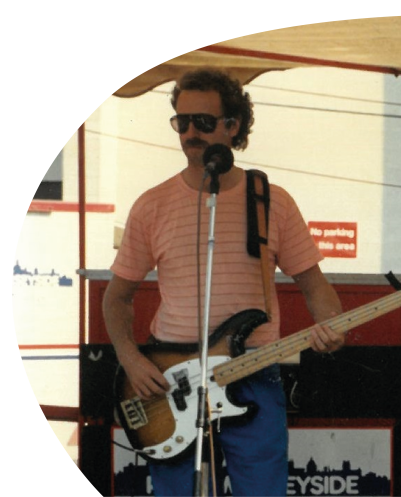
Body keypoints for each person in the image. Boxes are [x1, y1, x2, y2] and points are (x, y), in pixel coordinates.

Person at [103, 68, 345, 497]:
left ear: (234, 126)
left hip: (252, 371)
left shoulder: (273, 201)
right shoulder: (151, 205)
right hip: (169, 378)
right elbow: (117, 298)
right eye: (183, 122)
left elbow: (313, 283)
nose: (191, 132)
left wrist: (332, 325)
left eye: (205, 122)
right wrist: (132, 360)